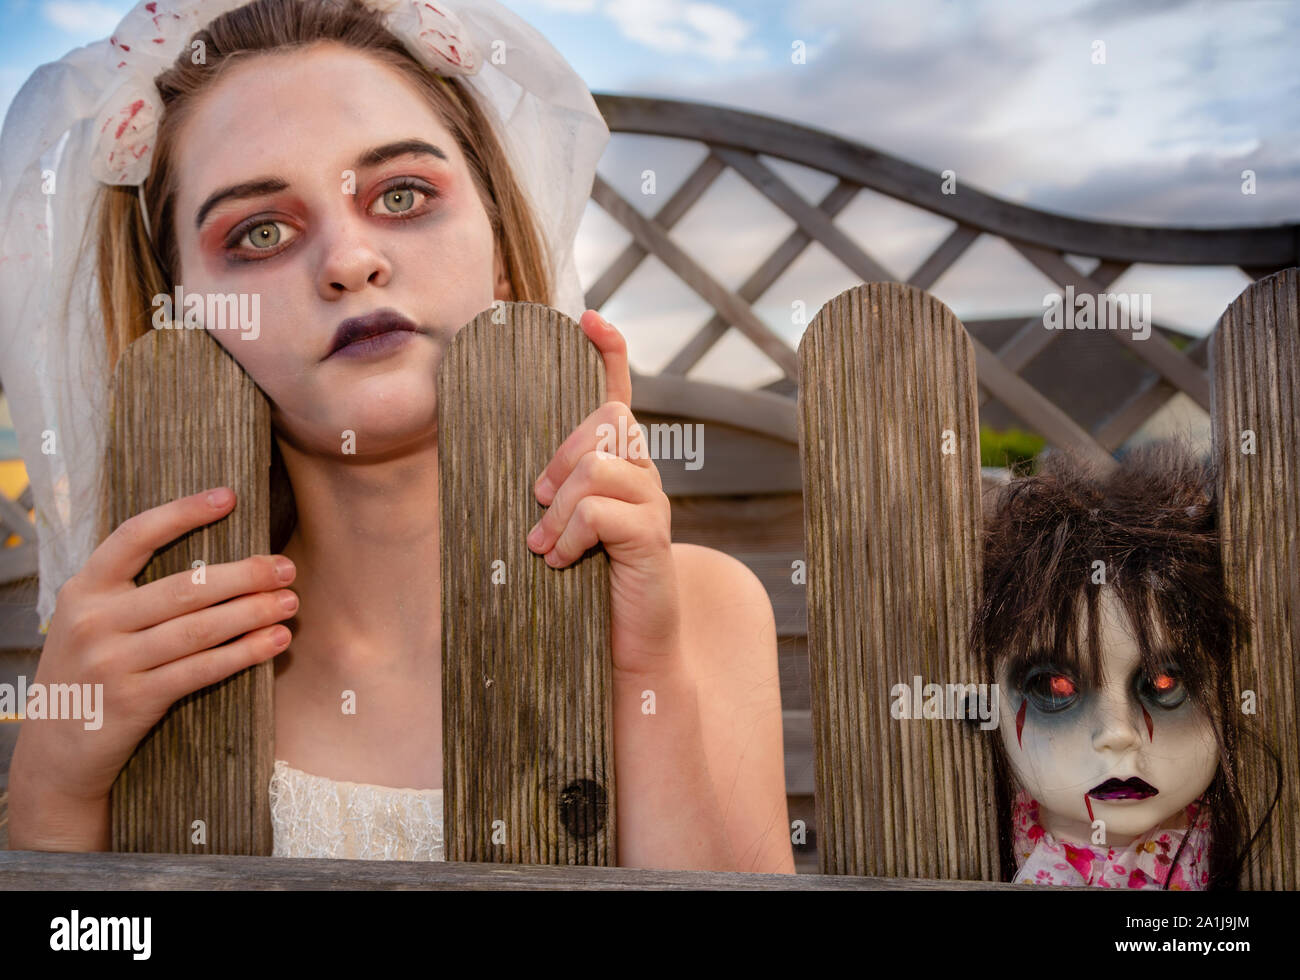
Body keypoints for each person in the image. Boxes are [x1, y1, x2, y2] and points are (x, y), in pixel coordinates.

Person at [0, 0, 794, 872]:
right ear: (178, 308)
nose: (348, 260)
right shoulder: (134, 663)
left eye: (404, 195)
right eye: (260, 232)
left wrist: (641, 679)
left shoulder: (702, 609)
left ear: (498, 240)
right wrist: (54, 793)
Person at [972, 441, 1280, 889]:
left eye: (1164, 683)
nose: (1118, 734)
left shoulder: (1260, 852)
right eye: (1054, 687)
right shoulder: (966, 851)